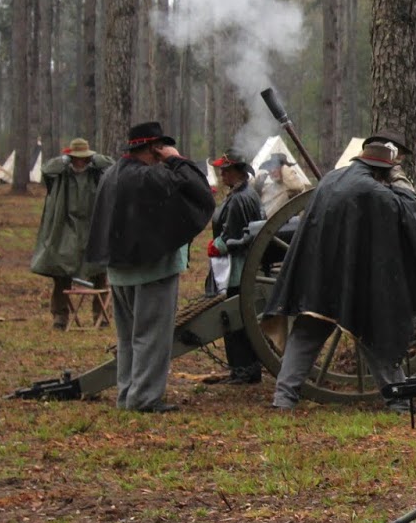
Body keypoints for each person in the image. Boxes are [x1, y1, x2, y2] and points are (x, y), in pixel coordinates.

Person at [262, 135, 416, 412]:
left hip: (316, 276)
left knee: (306, 333)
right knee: (373, 333)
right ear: (382, 170)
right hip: (351, 279)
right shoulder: (372, 190)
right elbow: (409, 212)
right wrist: (400, 180)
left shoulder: (331, 179)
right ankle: (399, 401)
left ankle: (283, 398)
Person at [84, 121, 215, 413]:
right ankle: (144, 399)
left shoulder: (111, 174)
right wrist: (177, 158)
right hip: (152, 269)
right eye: (160, 149)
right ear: (154, 148)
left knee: (129, 337)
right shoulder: (150, 177)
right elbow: (200, 192)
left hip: (118, 271)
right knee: (152, 338)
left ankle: (128, 394)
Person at [31, 138, 115, 328]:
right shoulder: (61, 173)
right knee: (61, 273)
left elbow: (112, 165)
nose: (80, 162)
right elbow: (46, 170)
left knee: (99, 272)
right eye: (76, 158)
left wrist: (95, 158)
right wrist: (64, 161)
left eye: (83, 158)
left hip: (93, 227)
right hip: (65, 228)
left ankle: (100, 316)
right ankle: (60, 317)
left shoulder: (96, 172)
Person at [206, 149, 264, 384]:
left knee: (234, 322)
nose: (222, 174)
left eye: (226, 170)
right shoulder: (242, 193)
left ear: (238, 172)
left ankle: (244, 370)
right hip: (239, 267)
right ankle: (242, 369)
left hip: (237, 270)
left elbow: (234, 234)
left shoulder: (241, 198)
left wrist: (217, 246)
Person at [254, 151, 312, 218]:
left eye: (276, 167)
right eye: (270, 168)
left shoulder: (290, 186)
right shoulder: (268, 187)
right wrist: (258, 186)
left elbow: (296, 187)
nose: (272, 171)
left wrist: (285, 167)